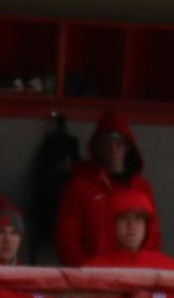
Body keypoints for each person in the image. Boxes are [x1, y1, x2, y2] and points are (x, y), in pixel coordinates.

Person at [54, 111, 157, 268]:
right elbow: (67, 241)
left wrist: (141, 270)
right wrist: (87, 273)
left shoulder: (141, 188)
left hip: (136, 277)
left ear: (129, 147)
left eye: (119, 143)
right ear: (97, 147)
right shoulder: (79, 188)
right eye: (107, 142)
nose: (113, 148)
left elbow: (153, 236)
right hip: (91, 281)